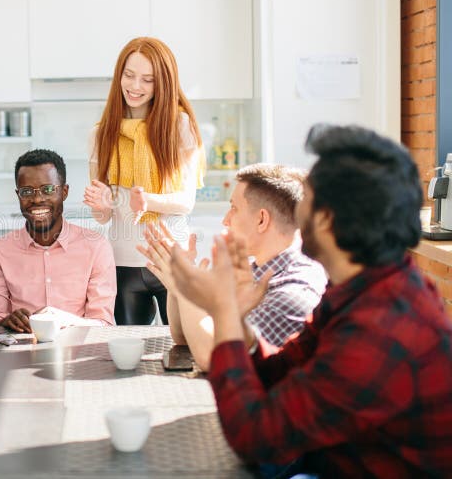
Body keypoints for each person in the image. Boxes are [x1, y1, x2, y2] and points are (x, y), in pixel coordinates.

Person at [169, 125, 452, 477]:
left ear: (327, 218)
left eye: (306, 201)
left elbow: (257, 437)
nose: (296, 217)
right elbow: (286, 369)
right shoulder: (360, 289)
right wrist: (240, 324)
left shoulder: (381, 327)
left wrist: (222, 310)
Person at [139, 163, 326, 371]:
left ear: (262, 219)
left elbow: (212, 358)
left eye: (234, 208)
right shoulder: (256, 272)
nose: (226, 220)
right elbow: (184, 337)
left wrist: (185, 285)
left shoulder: (291, 292)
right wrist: (180, 287)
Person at [83, 37, 204, 325]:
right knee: (128, 351)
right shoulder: (101, 135)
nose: (135, 87)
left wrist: (147, 200)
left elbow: (186, 201)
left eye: (147, 80)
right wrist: (100, 205)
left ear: (162, 83)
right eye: (129, 75)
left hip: (170, 259)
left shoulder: (179, 125)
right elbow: (103, 216)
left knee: (184, 347)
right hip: (122, 262)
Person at [0, 149, 116, 331]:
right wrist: (5, 322)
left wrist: (61, 320)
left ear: (65, 192)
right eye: (27, 191)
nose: (37, 199)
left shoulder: (96, 247)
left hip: (77, 351)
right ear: (18, 195)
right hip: (20, 351)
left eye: (48, 189)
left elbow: (103, 323)